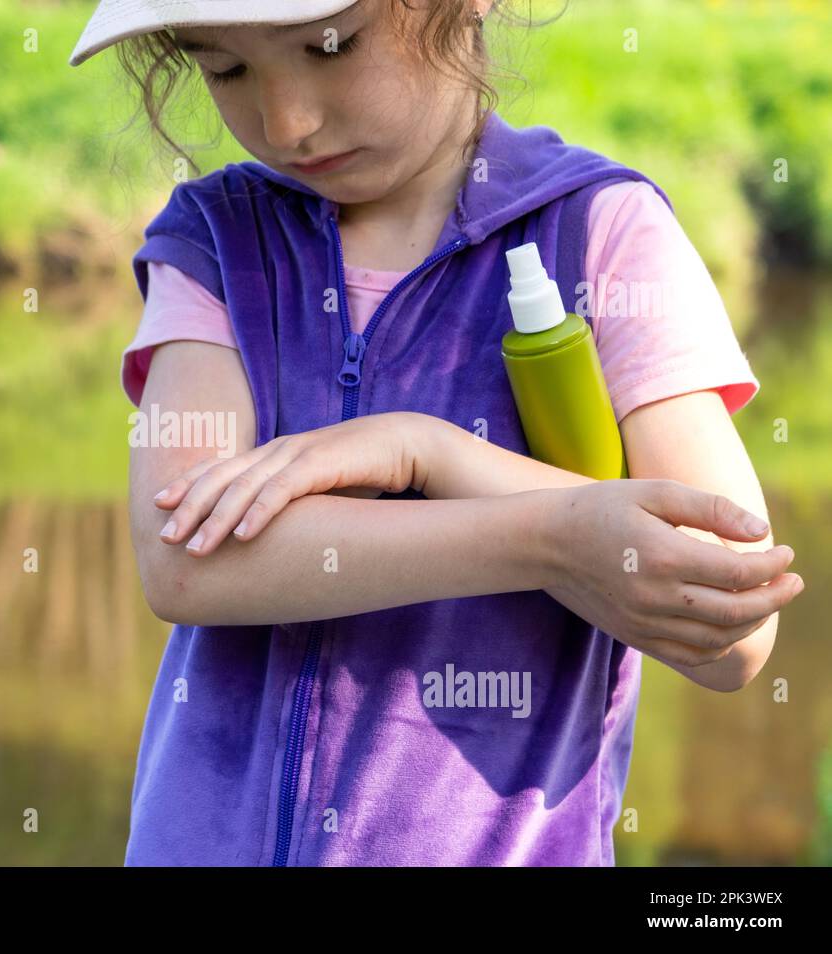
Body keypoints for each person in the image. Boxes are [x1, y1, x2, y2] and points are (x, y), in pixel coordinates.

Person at [68, 0, 804, 865]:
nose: (287, 121)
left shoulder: (605, 236)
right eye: (224, 68)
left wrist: (431, 451)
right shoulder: (216, 242)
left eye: (329, 46)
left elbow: (730, 617)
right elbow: (187, 560)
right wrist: (554, 538)